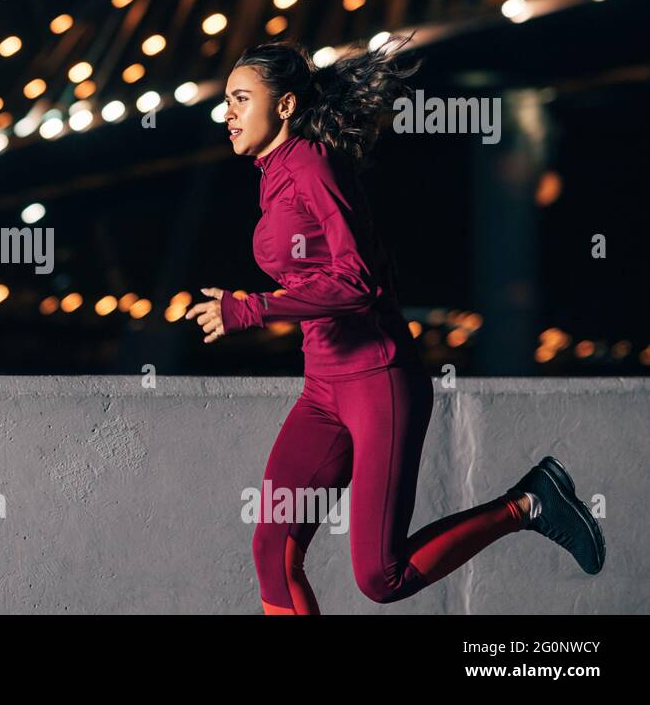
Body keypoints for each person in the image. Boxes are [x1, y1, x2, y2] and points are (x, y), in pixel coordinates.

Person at [184, 37, 605, 614]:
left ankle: (528, 504)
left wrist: (254, 308)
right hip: (322, 390)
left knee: (382, 577)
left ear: (283, 105)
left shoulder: (312, 164)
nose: (226, 112)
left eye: (239, 99)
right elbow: (317, 274)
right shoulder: (273, 171)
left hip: (377, 381)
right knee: (272, 549)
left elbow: (360, 283)